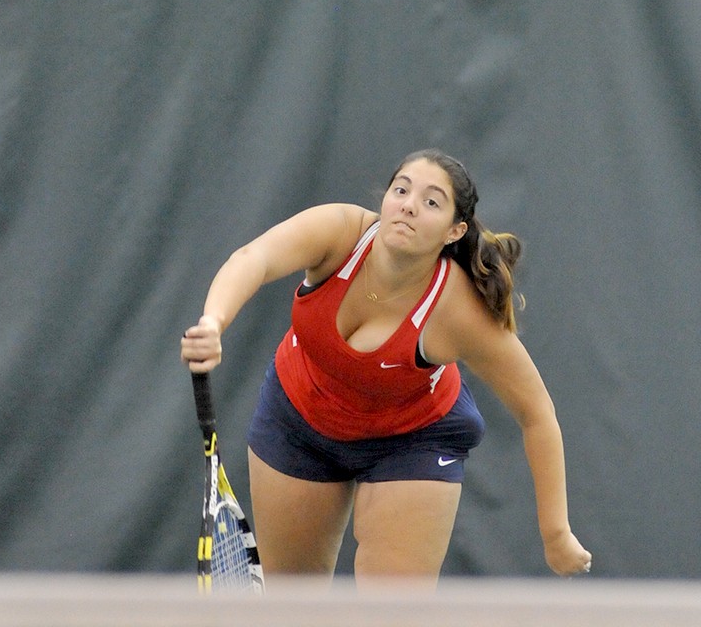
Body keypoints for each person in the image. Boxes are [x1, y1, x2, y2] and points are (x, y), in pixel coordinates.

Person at [180, 149, 591, 587]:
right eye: (401, 190)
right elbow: (254, 258)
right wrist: (214, 321)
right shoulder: (338, 231)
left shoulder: (458, 312)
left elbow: (537, 413)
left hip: (412, 440)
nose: (409, 205)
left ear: (454, 231)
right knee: (293, 606)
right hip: (299, 418)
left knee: (392, 612)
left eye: (431, 202)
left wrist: (556, 533)